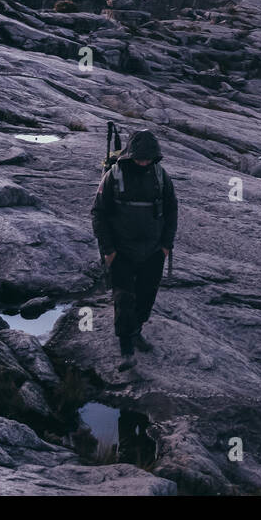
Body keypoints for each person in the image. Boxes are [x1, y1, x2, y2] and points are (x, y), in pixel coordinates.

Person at [91, 129, 178, 371]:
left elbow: (172, 211)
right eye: (140, 157)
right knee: (124, 299)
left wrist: (165, 246)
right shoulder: (114, 176)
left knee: (145, 297)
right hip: (121, 252)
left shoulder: (161, 177)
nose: (143, 162)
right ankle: (126, 349)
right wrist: (109, 250)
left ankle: (137, 329)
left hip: (153, 251)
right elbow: (98, 213)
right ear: (130, 154)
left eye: (148, 158)